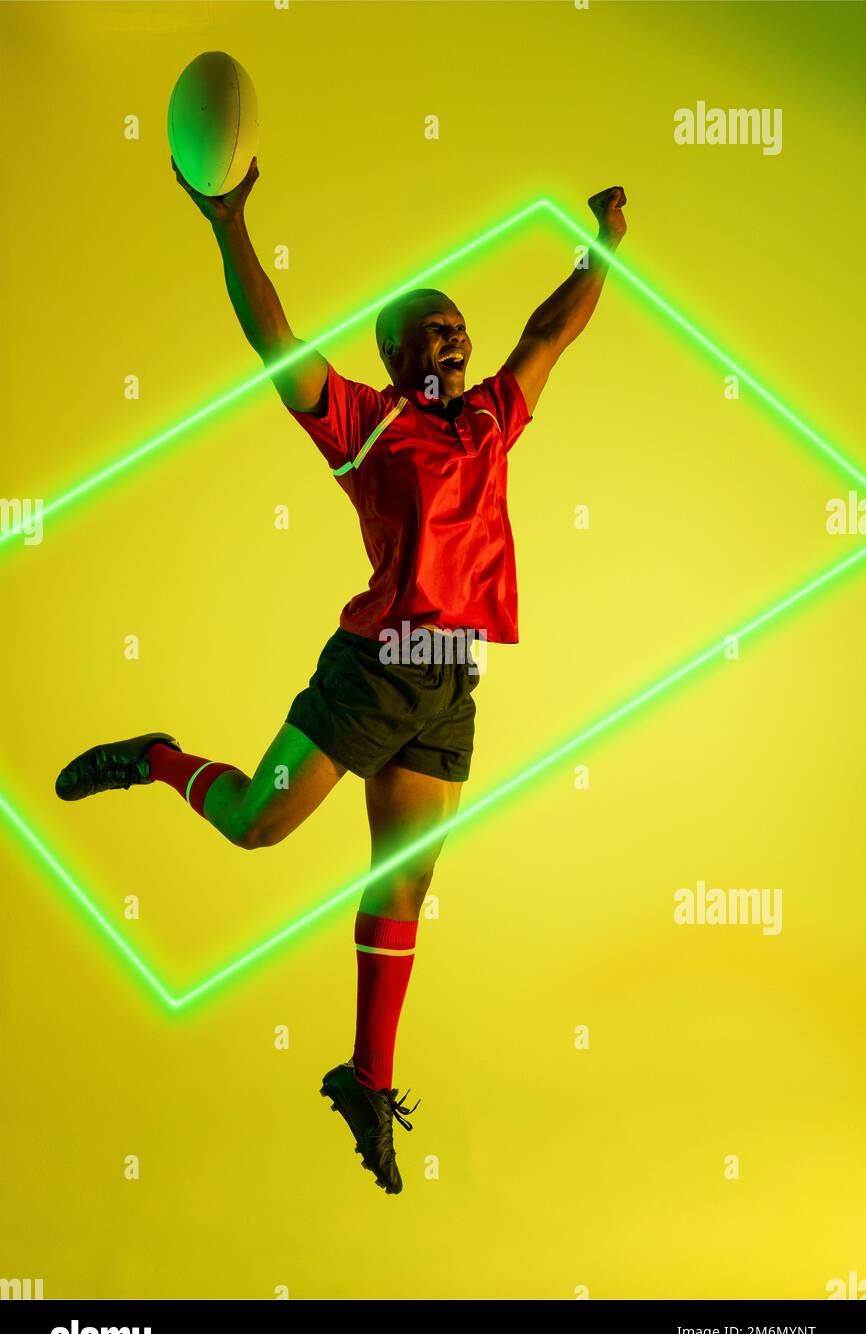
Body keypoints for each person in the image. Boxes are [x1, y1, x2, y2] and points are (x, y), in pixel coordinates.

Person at [55, 156, 627, 1195]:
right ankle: (153, 755)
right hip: (370, 673)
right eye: (432, 325)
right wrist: (230, 223)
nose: (453, 334)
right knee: (254, 826)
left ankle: (367, 1075)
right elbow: (277, 343)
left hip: (450, 680)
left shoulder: (492, 417)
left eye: (458, 323)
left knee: (402, 884)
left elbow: (549, 335)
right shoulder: (367, 422)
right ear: (395, 348)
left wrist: (602, 251)